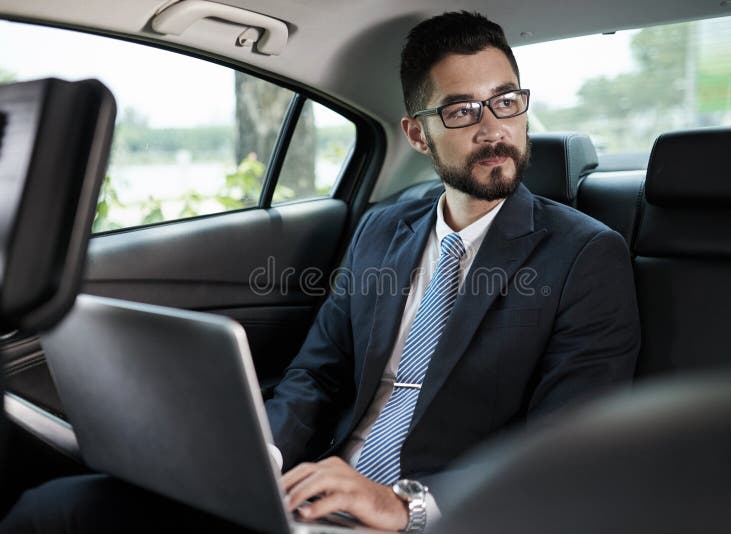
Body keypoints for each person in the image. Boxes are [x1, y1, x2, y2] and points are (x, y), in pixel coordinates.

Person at [0, 11, 639, 534]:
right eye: (461, 111)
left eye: (506, 101)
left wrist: (404, 506)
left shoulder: (585, 255)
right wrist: (260, 462)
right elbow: (317, 372)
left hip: (441, 517)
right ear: (417, 135)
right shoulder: (383, 229)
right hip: (310, 494)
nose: (494, 128)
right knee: (50, 512)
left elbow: (565, 452)